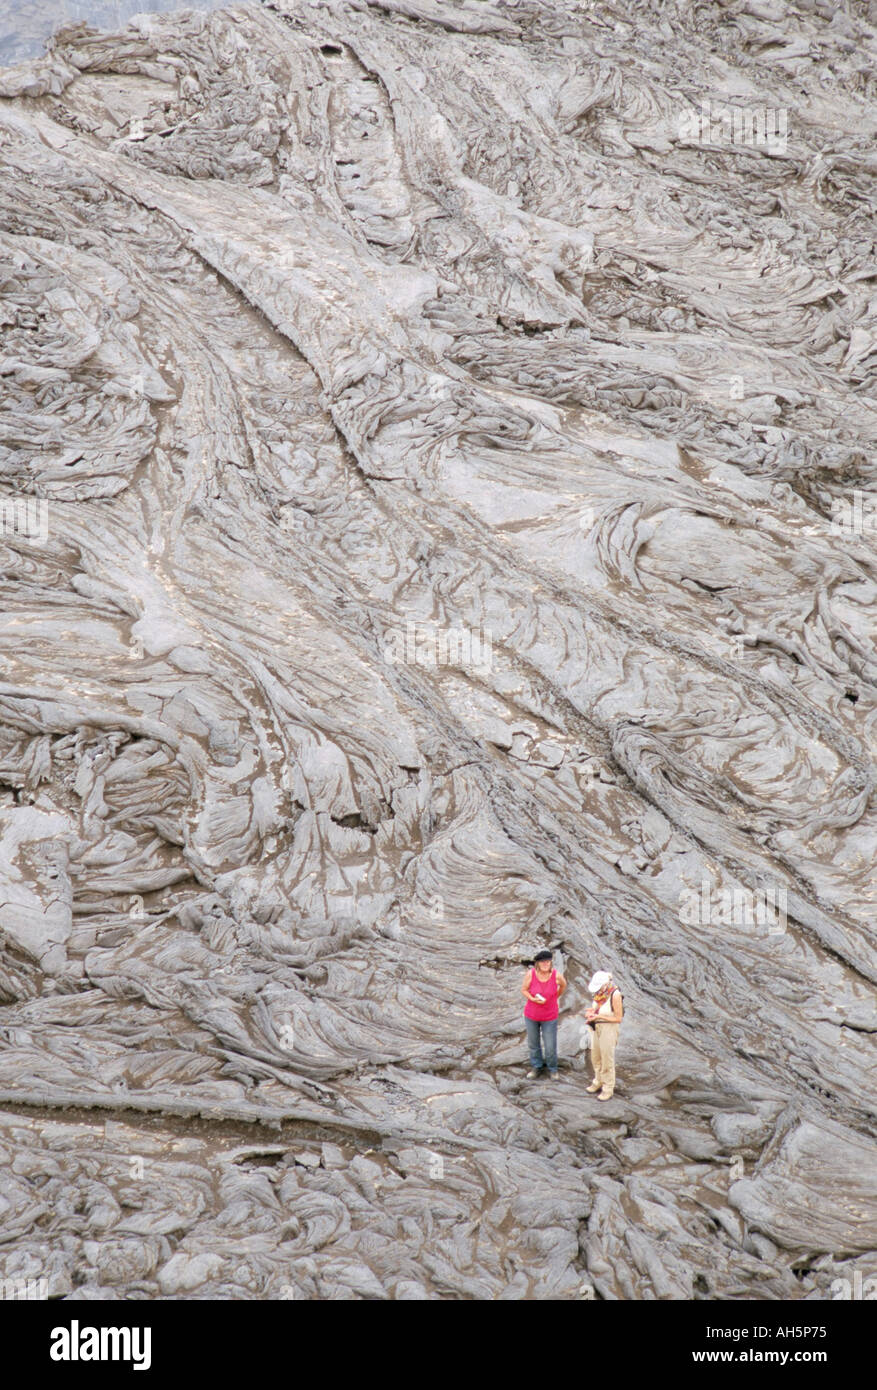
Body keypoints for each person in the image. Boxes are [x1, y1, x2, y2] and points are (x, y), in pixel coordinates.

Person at [521, 949, 566, 1080]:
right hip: (532, 1015)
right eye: (542, 962)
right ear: (538, 964)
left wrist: (555, 997)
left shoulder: (556, 975)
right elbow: (523, 990)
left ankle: (553, 1069)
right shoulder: (531, 974)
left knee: (550, 1045)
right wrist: (532, 998)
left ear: (551, 962)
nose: (545, 964)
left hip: (549, 1016)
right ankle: (536, 1067)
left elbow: (563, 985)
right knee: (533, 1043)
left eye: (548, 961)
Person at [585, 970, 623, 1100]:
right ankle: (598, 1081)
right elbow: (596, 1008)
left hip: (609, 1028)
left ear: (605, 984)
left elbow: (618, 1018)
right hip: (596, 1027)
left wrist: (599, 1016)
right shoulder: (599, 993)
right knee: (596, 1056)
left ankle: (608, 1088)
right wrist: (590, 1012)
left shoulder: (615, 995)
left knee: (607, 1059)